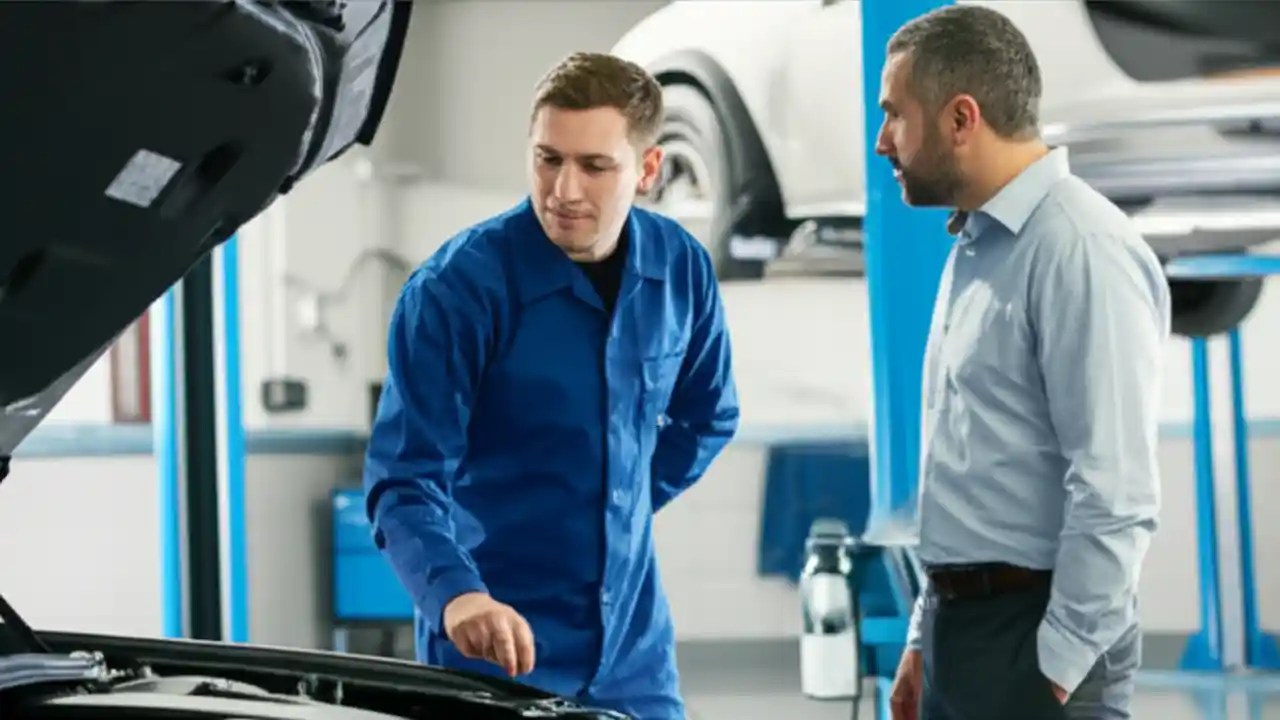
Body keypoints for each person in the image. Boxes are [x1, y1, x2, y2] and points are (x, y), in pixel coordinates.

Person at [361, 51, 740, 719]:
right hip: (492, 649)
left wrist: (615, 502)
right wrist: (458, 597)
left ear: (648, 170)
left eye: (595, 167)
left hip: (634, 659)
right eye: (548, 159)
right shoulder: (456, 292)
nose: (564, 189)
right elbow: (403, 479)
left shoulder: (681, 269)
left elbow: (707, 417)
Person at [873, 6, 1170, 720]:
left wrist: (1055, 672)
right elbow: (969, 473)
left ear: (961, 119)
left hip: (1034, 641)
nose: (882, 140)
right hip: (964, 630)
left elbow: (1116, 487)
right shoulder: (980, 247)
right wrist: (926, 635)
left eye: (894, 115)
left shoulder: (1078, 250)